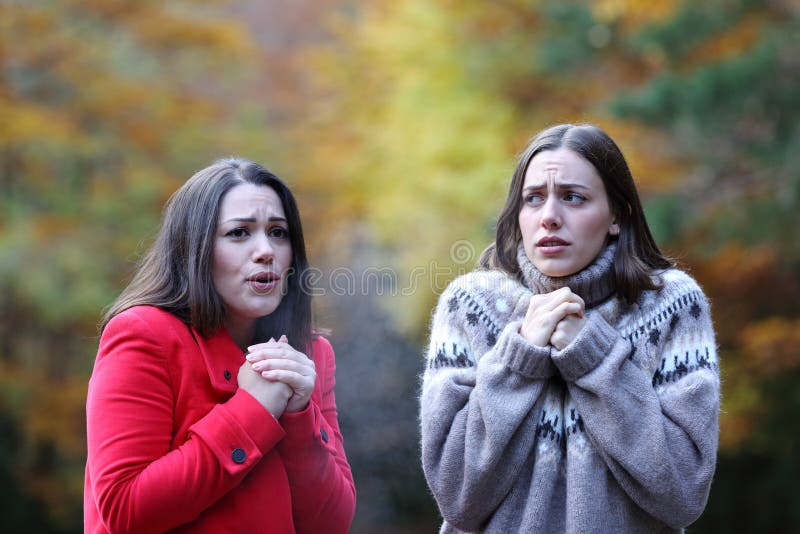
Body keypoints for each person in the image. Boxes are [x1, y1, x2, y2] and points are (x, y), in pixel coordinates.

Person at [420, 124, 719, 533]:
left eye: (573, 198)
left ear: (617, 215)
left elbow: (682, 494)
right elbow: (458, 499)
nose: (549, 218)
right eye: (533, 199)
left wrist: (591, 356)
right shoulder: (471, 305)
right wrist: (519, 357)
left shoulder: (672, 305)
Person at [84, 158, 355, 533]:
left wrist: (298, 415)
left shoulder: (310, 355)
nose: (266, 250)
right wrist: (255, 410)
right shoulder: (143, 335)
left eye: (278, 232)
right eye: (239, 233)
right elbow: (124, 511)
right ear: (195, 250)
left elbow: (331, 524)